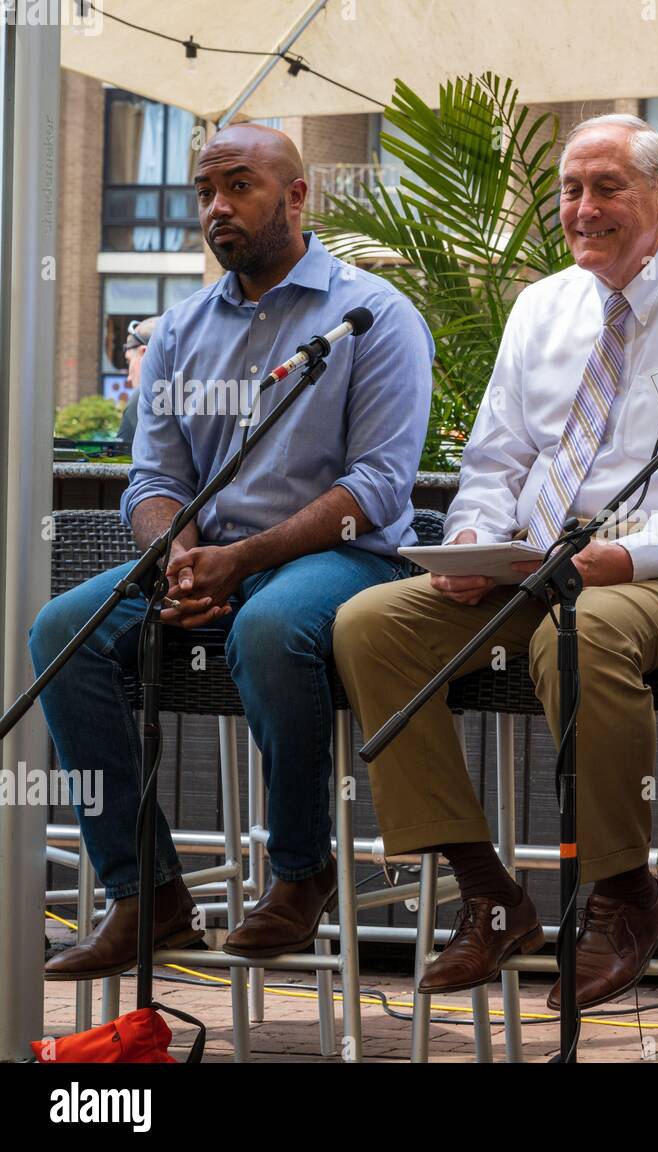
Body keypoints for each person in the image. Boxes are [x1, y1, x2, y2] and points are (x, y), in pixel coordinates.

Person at [334, 114, 658, 1011]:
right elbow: (496, 462)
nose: (582, 207)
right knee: (370, 624)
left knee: (575, 636)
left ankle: (623, 894)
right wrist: (470, 546)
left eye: (606, 187)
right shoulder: (543, 306)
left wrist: (608, 560)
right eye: (571, 190)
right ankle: (488, 893)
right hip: (533, 564)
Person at [32, 123, 433, 979]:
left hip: (342, 559)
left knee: (268, 627)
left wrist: (241, 561)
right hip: (208, 559)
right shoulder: (178, 330)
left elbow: (381, 485)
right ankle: (147, 892)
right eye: (204, 194)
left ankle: (301, 871)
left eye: (239, 187)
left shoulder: (375, 316)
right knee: (63, 632)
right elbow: (151, 480)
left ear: (296, 196)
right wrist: (177, 555)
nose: (217, 208)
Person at [117, 315, 159, 446]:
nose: (129, 378)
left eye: (129, 361)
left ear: (145, 353)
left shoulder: (143, 397)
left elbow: (120, 458)